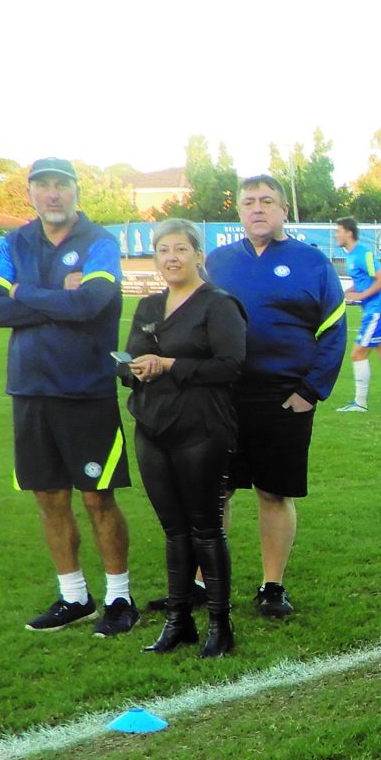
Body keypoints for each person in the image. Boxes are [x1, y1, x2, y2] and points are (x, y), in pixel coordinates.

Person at [0, 157, 135, 636]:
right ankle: (74, 596)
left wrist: (26, 292)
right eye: (44, 186)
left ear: (75, 192)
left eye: (62, 186)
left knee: (97, 497)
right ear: (30, 193)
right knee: (48, 497)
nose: (53, 194)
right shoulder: (14, 242)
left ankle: (118, 597)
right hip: (29, 388)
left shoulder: (100, 243)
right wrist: (54, 296)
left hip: (84, 388)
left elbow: (93, 303)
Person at [204, 174, 348, 617]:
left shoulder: (311, 262)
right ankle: (204, 583)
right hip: (222, 395)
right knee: (216, 491)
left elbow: (334, 329)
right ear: (240, 212)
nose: (258, 209)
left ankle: (272, 586)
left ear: (285, 211)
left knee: (273, 492)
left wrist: (310, 391)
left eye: (268, 201)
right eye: (249, 202)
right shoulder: (217, 261)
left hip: (284, 397)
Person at [120, 219, 247, 658]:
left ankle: (220, 624)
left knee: (206, 530)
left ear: (198, 255)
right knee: (173, 530)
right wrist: (131, 369)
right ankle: (179, 622)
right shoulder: (149, 307)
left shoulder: (219, 304)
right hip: (152, 428)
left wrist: (171, 364)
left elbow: (230, 366)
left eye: (179, 249)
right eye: (162, 251)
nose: (171, 258)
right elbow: (128, 362)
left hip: (201, 429)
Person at [334, 217, 381, 412]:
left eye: (338, 231)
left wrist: (360, 296)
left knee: (357, 354)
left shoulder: (363, 254)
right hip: (378, 310)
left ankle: (360, 404)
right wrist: (347, 293)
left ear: (349, 232)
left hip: (377, 310)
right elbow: (362, 282)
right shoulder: (351, 257)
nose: (336, 235)